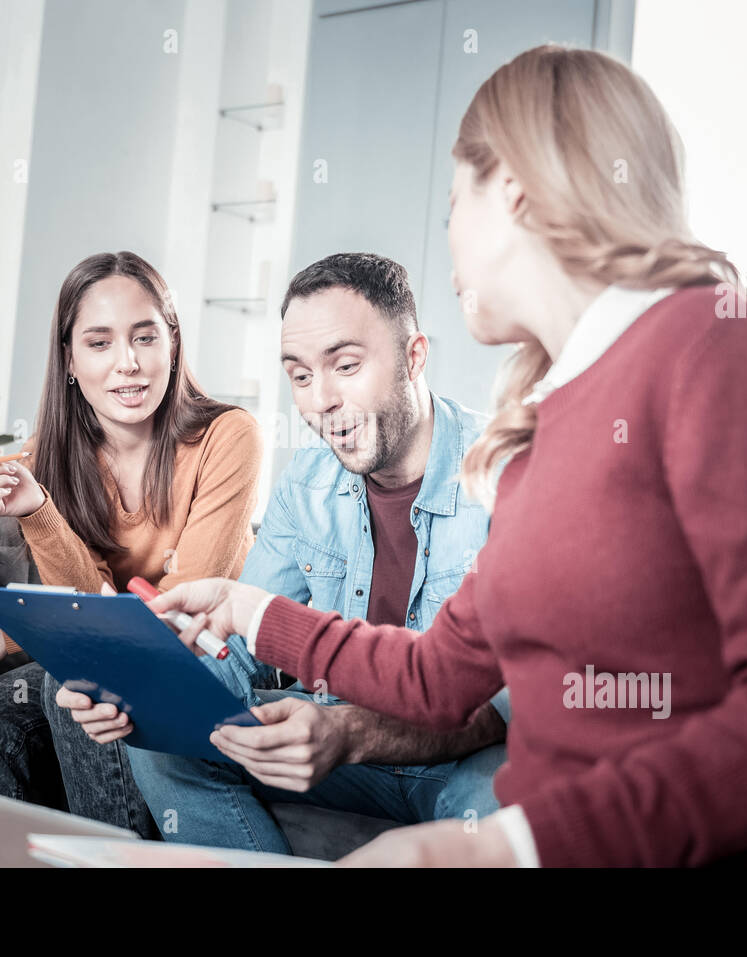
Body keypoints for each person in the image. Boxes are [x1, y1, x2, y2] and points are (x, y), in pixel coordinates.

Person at [143, 45, 747, 867]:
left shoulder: (721, 352)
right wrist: (247, 609)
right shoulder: (544, 426)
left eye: (453, 202)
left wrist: (500, 846)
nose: (450, 236)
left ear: (514, 191)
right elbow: (438, 674)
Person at [116, 253, 507, 853]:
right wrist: (133, 688)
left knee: (502, 801)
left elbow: (505, 704)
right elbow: (237, 648)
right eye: (299, 376)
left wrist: (352, 729)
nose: (320, 400)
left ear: (414, 356)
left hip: (469, 756)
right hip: (343, 739)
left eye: (345, 365)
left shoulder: (505, 477)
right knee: (163, 744)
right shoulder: (307, 483)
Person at [0, 251, 262, 835]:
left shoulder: (228, 435)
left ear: (173, 343)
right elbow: (80, 603)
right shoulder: (52, 454)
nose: (129, 365)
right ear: (69, 359)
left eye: (145, 338)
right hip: (111, 649)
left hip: (201, 658)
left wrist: (10, 631)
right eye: (99, 343)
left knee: (81, 684)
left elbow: (176, 616)